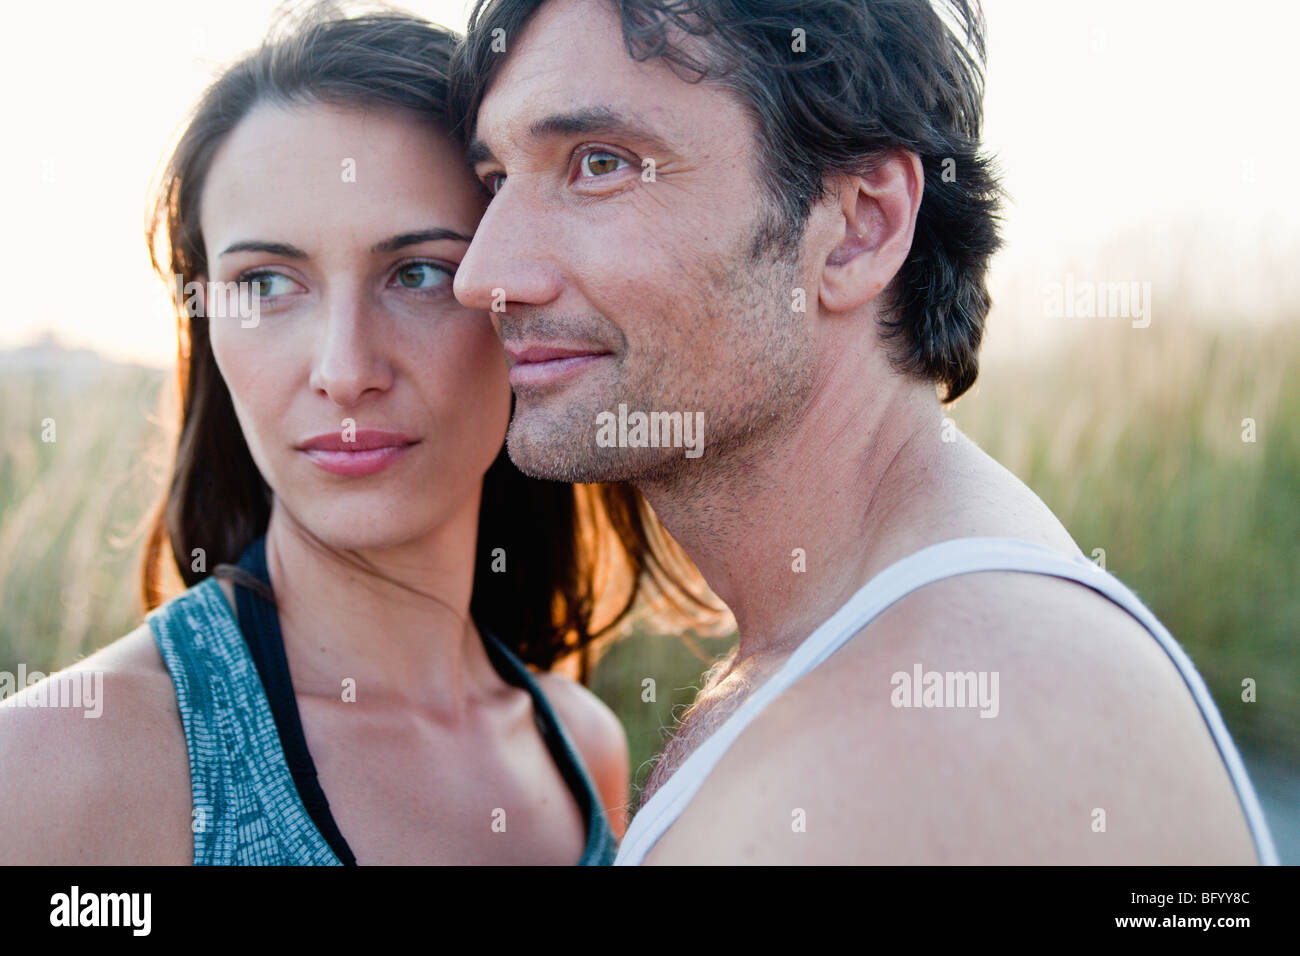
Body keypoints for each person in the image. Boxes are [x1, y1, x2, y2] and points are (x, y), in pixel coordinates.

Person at [448, 0, 1279, 864]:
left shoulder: (952, 718)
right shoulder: (864, 642)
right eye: (497, 182)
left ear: (858, 228)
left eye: (600, 164)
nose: (485, 276)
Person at [0, 5, 709, 865]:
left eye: (417, 274)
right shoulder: (61, 761)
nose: (344, 369)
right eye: (265, 284)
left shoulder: (579, 747)